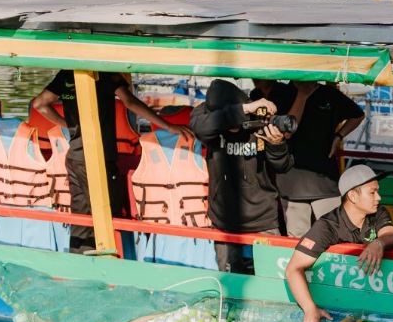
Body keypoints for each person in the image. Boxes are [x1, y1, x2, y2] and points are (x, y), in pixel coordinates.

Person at [32, 70, 193, 253]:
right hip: (98, 158)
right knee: (110, 215)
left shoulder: (67, 73)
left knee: (81, 217)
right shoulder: (104, 71)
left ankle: (77, 263)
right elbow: (129, 101)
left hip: (75, 157)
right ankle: (109, 262)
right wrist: (168, 125)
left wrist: (71, 126)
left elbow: (40, 103)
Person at [189, 79, 293, 273]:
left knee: (272, 278)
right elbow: (201, 128)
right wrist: (241, 111)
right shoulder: (207, 120)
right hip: (223, 216)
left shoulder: (259, 122)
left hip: (263, 216)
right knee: (229, 279)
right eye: (228, 121)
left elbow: (283, 166)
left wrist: (277, 145)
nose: (233, 127)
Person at [285, 164, 393, 322]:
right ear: (353, 196)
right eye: (372, 192)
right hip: (338, 313)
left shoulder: (379, 212)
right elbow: (293, 269)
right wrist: (310, 309)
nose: (379, 197)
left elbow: (391, 235)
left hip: (378, 310)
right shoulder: (327, 226)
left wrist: (378, 244)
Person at [251, 79, 365, 237]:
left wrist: (339, 136)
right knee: (297, 240)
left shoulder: (329, 93)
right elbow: (287, 131)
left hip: (325, 181)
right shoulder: (280, 94)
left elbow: (358, 115)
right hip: (291, 181)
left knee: (335, 237)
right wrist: (302, 95)